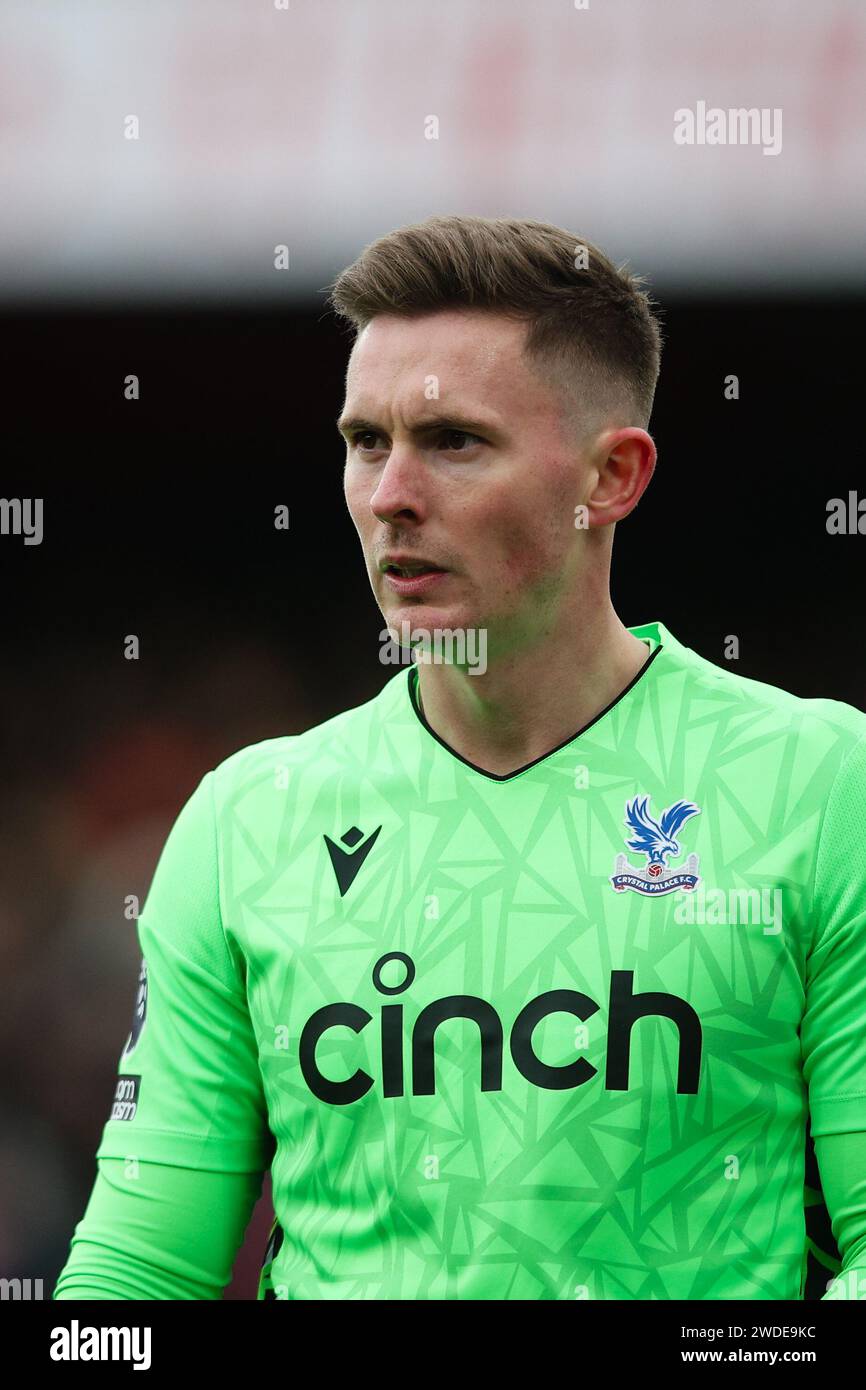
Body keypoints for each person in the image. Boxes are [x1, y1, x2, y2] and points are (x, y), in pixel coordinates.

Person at [54, 215, 866, 1300]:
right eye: (363, 441)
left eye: (452, 441)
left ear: (611, 477)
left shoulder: (819, 783)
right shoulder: (248, 818)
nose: (390, 494)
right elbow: (134, 1281)